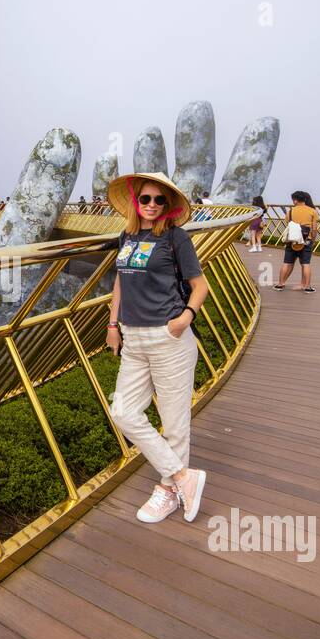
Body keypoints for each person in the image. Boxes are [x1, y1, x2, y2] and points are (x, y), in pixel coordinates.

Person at [104, 170, 210, 524]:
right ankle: (183, 476)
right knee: (122, 411)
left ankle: (167, 491)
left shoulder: (175, 238)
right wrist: (112, 324)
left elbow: (200, 285)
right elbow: (121, 280)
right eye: (145, 198)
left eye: (158, 200)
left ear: (168, 206)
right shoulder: (127, 235)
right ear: (136, 202)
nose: (150, 205)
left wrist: (184, 319)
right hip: (133, 337)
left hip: (169, 338)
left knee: (174, 422)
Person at [275, 190, 318, 292]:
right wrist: (313, 239)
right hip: (306, 240)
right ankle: (307, 287)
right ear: (305, 199)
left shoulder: (290, 211)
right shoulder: (313, 211)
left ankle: (280, 284)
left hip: (292, 240)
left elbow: (288, 224)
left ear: (295, 201)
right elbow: (315, 228)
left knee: (287, 263)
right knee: (305, 264)